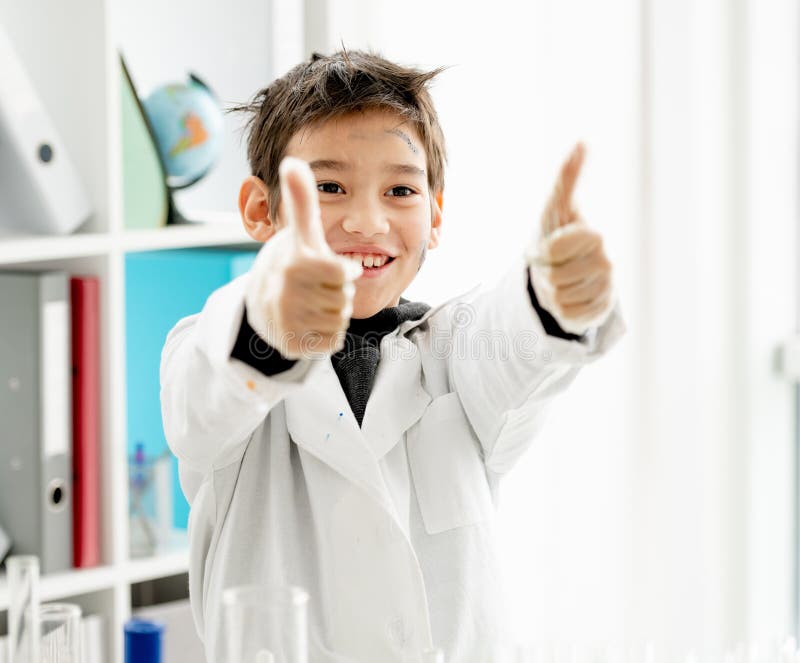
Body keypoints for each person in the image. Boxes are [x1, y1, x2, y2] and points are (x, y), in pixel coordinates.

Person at [160, 48, 626, 663]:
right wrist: (274, 320)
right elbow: (206, 398)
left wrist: (549, 296)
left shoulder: (455, 354)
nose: (366, 220)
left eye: (400, 189)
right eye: (327, 187)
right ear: (260, 210)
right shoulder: (212, 349)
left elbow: (513, 342)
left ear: (434, 215)